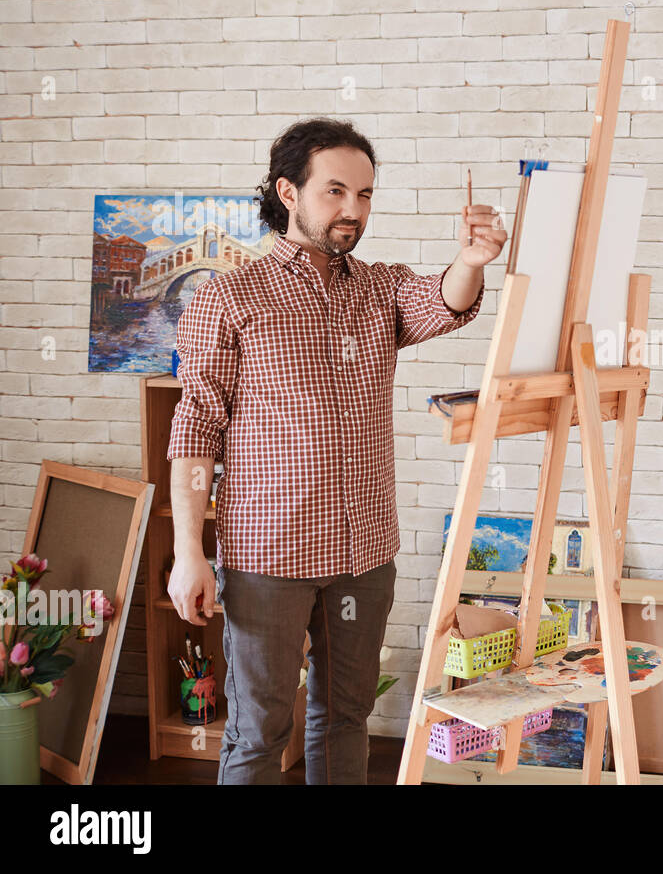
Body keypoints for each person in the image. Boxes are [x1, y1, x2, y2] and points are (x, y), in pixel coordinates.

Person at [166, 118, 507, 783]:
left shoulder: (380, 289)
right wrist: (186, 553)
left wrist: (468, 261)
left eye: (366, 194)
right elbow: (194, 431)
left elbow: (443, 300)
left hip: (364, 552)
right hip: (270, 554)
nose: (354, 210)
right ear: (288, 192)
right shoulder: (228, 300)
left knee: (345, 718)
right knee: (258, 732)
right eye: (336, 192)